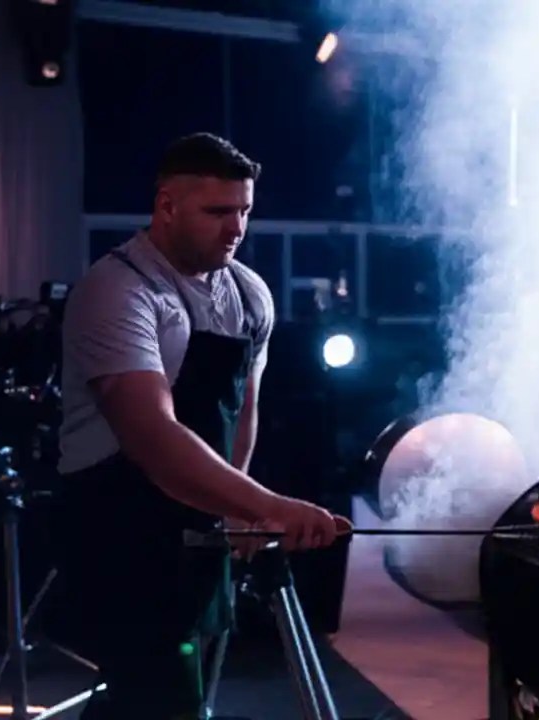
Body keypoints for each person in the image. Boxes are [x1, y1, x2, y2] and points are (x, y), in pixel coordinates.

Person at [52, 132, 343, 719]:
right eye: (217, 212)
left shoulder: (249, 294)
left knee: (162, 697)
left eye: (244, 211)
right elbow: (152, 439)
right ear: (167, 206)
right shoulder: (118, 290)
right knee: (159, 694)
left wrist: (237, 509)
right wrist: (267, 506)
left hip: (199, 523)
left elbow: (241, 410)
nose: (236, 228)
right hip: (117, 529)